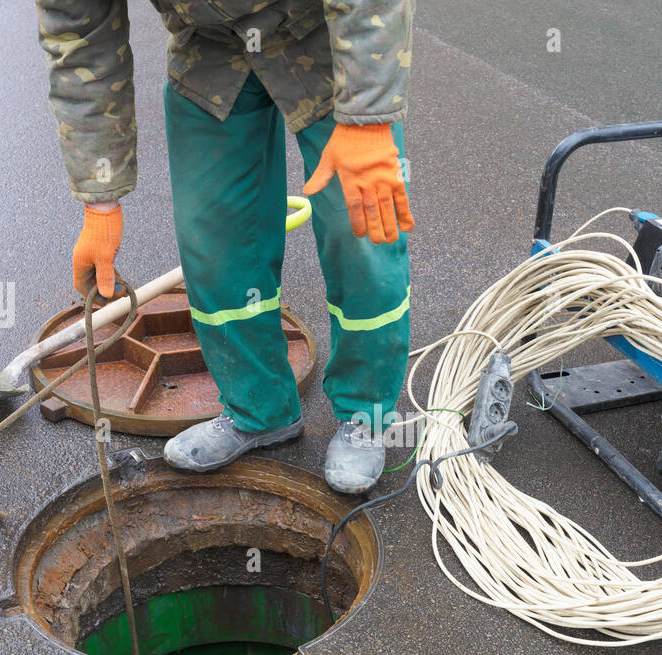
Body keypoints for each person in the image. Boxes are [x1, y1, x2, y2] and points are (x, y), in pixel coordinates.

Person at [37, 1, 414, 494]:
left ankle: (366, 415)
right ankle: (258, 409)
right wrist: (100, 204)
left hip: (323, 38)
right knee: (213, 239)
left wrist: (368, 118)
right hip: (210, 49)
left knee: (361, 233)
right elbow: (80, 39)